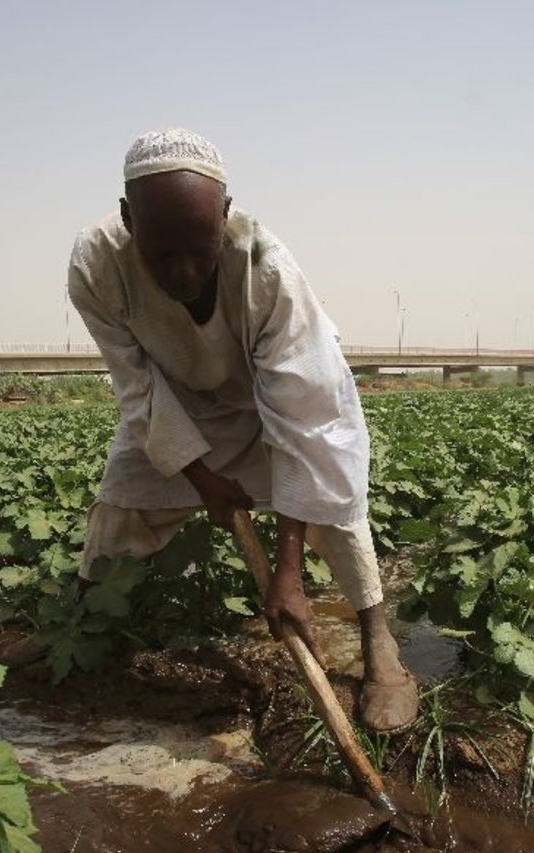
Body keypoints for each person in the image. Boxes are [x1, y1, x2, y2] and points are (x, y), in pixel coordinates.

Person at [67, 127, 418, 732]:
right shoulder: (97, 265)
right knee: (121, 503)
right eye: (162, 255)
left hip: (273, 403)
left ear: (225, 215)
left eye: (200, 254)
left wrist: (288, 573)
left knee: (335, 509)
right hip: (176, 402)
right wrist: (202, 478)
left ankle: (379, 644)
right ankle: (74, 627)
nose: (183, 273)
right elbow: (138, 388)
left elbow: (304, 424)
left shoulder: (267, 271)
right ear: (128, 220)